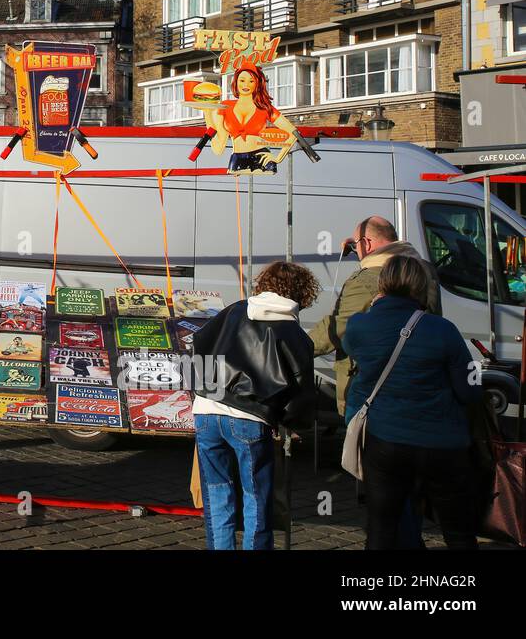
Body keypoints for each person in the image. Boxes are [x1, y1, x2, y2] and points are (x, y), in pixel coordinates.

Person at [343, 255, 482, 550]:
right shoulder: (443, 329)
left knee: (381, 529)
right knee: (458, 532)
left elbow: (351, 349)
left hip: (385, 441)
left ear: (381, 285)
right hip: (443, 444)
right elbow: (470, 390)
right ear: (421, 287)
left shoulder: (358, 326)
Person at [190, 261, 318, 550]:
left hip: (207, 409)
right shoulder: (294, 333)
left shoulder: (235, 310)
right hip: (251, 416)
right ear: (301, 293)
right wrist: (292, 422)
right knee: (256, 498)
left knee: (217, 494)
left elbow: (199, 342)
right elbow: (300, 393)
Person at [309, 215, 441, 416]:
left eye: (358, 244)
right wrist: (356, 244)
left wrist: (299, 347)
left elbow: (341, 325)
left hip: (371, 388)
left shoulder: (368, 278)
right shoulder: (424, 269)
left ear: (368, 243)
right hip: (417, 381)